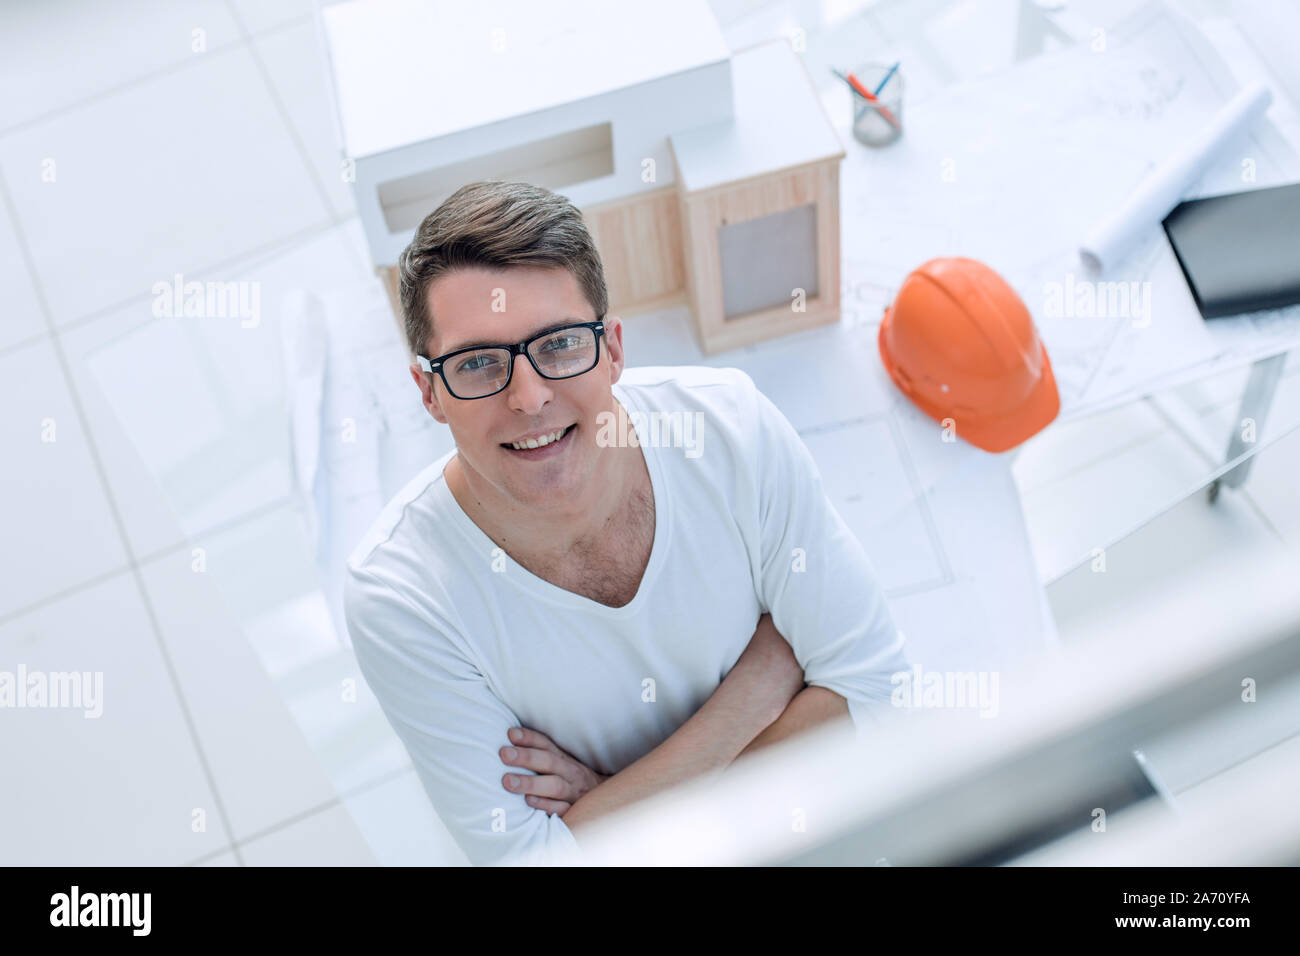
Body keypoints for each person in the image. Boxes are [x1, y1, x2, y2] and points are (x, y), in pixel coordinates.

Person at [343, 180, 910, 866]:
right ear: (430, 392)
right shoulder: (401, 597)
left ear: (612, 348)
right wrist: (761, 684)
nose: (529, 397)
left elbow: (876, 692)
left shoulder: (728, 428)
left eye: (558, 344)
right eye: (480, 363)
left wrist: (612, 807)